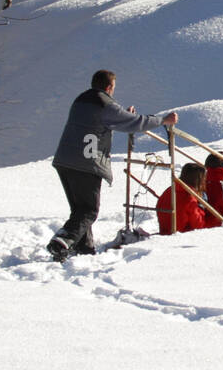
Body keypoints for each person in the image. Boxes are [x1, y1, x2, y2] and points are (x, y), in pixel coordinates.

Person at [48, 69, 178, 261]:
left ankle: (84, 248)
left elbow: (110, 120)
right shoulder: (105, 104)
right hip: (86, 163)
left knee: (80, 210)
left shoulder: (81, 100)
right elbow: (135, 122)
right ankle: (63, 240)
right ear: (109, 87)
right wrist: (162, 121)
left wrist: (123, 115)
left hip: (64, 160)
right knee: (89, 210)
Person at [156, 163, 218, 235]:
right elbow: (199, 225)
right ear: (199, 180)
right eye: (204, 178)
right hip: (180, 235)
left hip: (165, 230)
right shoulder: (190, 198)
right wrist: (202, 208)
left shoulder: (170, 190)